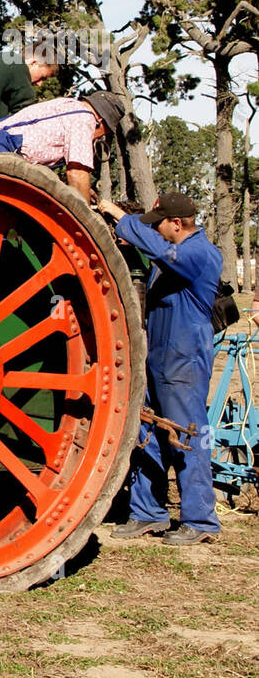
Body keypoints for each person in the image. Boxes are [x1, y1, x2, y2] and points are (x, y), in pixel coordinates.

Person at [98, 191, 222, 544]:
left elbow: (157, 247)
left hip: (184, 356)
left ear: (177, 224)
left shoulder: (198, 253)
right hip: (160, 354)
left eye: (162, 224)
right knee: (147, 432)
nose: (160, 231)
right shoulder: (174, 253)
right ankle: (148, 513)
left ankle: (200, 520)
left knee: (187, 433)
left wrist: (119, 216)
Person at [0, 91, 124, 201]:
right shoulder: (85, 119)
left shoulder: (67, 105)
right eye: (105, 133)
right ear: (101, 122)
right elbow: (77, 174)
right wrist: (88, 218)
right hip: (1, 150)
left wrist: (84, 189)